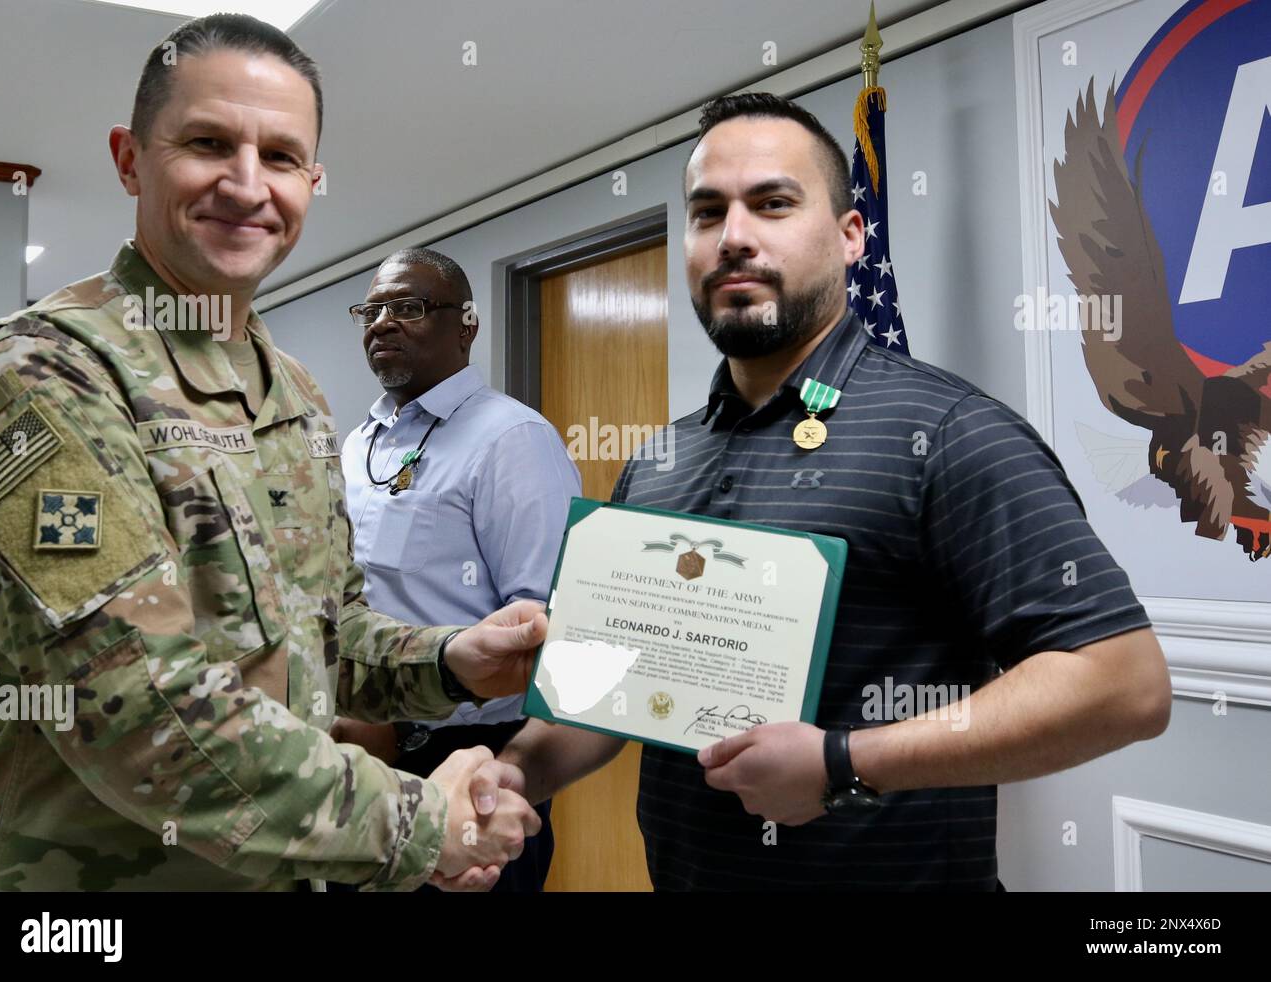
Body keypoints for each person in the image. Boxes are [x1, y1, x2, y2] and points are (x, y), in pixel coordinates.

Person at [452, 92, 1173, 891]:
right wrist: (516, 771)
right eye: (707, 213)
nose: (733, 236)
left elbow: (1122, 683)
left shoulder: (947, 432)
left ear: (850, 235)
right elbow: (607, 690)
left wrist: (842, 763)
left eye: (773, 204)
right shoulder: (659, 461)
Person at [0, 13, 539, 893]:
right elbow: (135, 709)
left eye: (280, 157)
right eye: (207, 144)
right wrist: (423, 822)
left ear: (312, 180)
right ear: (129, 158)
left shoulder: (293, 392)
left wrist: (450, 658)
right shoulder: (41, 374)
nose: (246, 185)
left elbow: (322, 637)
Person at [332, 248, 580, 891]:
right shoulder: (359, 443)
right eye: (371, 310)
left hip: (469, 759)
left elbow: (546, 624)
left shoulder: (512, 439)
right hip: (358, 752)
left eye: (408, 307)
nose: (382, 323)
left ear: (466, 325)